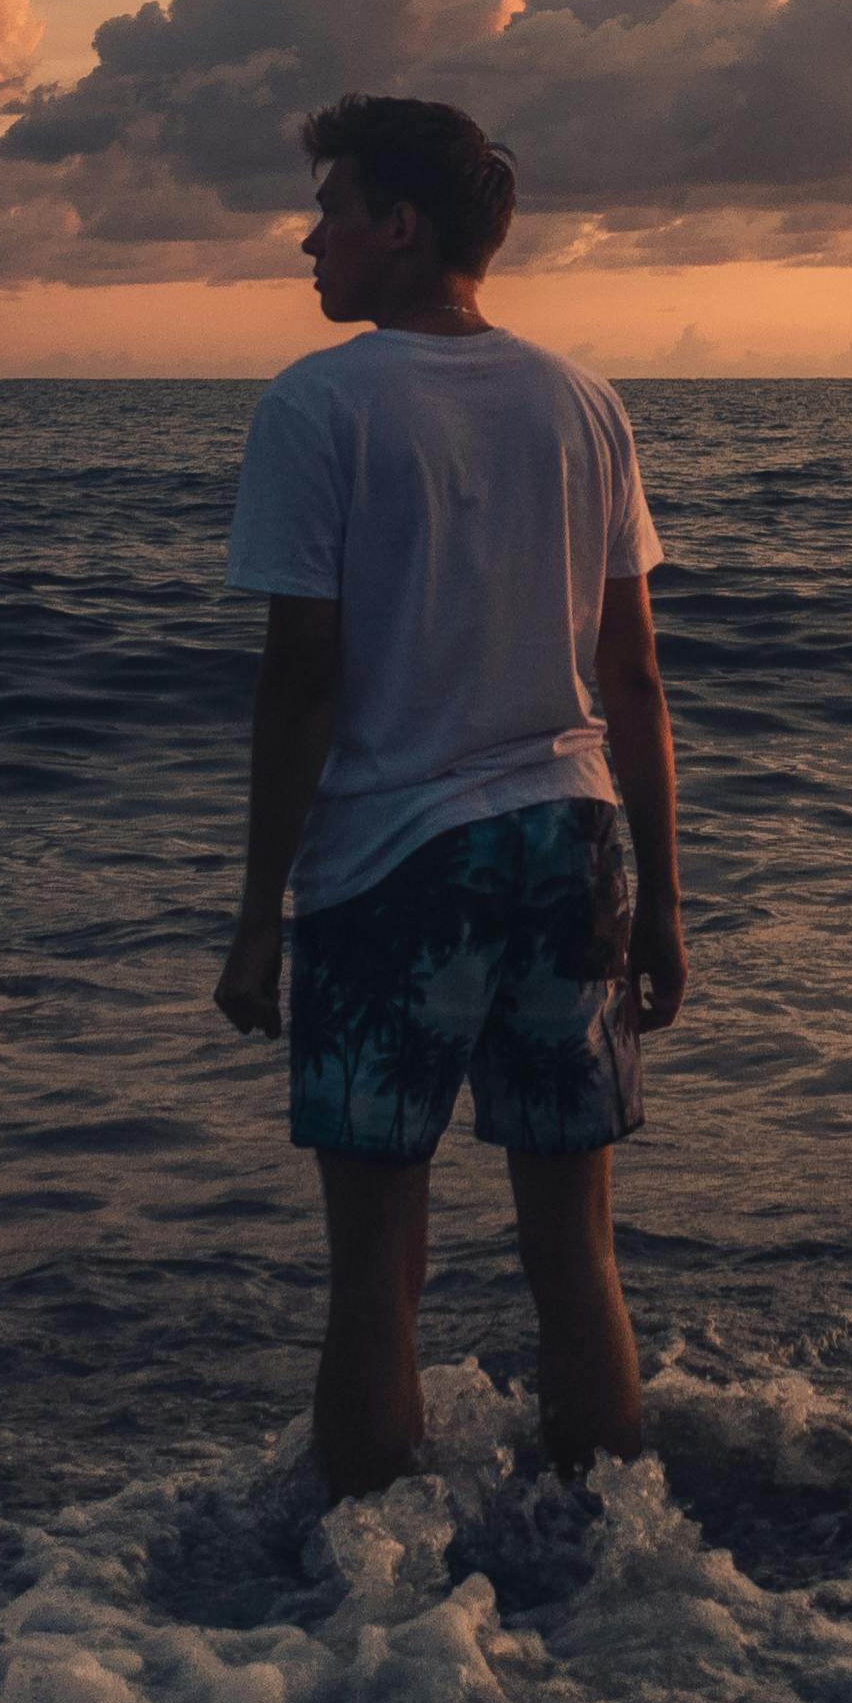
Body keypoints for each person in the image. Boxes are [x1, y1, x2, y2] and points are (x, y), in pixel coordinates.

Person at [212, 88, 684, 1499]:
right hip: (571, 841)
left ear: (400, 229)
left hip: (394, 864)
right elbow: (636, 676)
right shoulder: (581, 401)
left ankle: (356, 1602)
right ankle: (613, 1559)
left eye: (333, 211)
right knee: (573, 1246)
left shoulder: (319, 404)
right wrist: (661, 903)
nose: (309, 242)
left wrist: (255, 913)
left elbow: (302, 673)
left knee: (377, 1268)